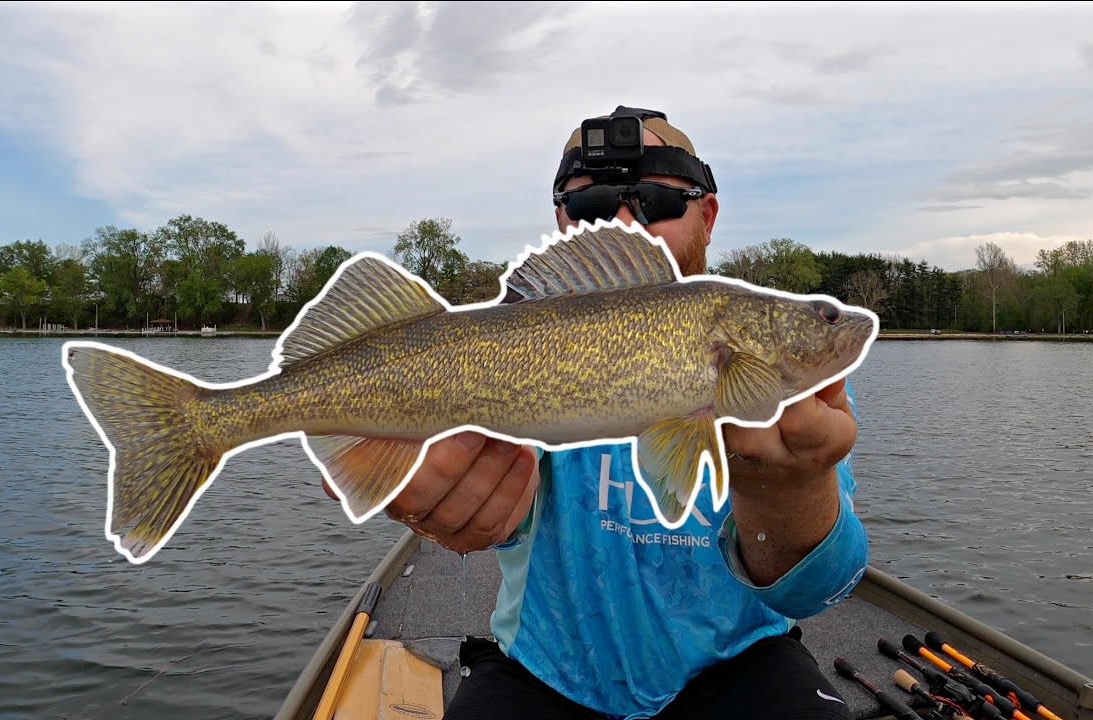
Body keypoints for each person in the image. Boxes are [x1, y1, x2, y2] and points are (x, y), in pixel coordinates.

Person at [356, 106, 869, 720]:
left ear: (707, 215)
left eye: (658, 198)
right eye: (592, 202)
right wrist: (445, 508)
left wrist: (791, 496)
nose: (626, 221)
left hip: (740, 662)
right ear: (561, 221)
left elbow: (818, 589)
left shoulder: (792, 395)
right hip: (545, 670)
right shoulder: (511, 349)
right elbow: (494, 518)